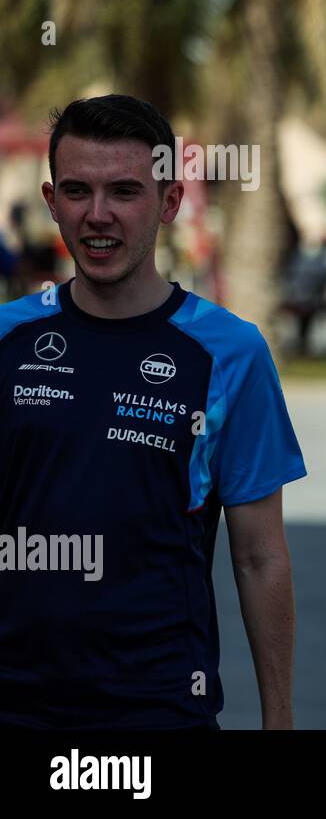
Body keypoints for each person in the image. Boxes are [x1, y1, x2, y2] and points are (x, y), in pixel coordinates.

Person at [0, 95, 306, 728]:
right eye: (78, 192)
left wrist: (279, 721)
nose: (98, 215)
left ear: (169, 202)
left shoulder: (230, 352)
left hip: (159, 709)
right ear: (52, 201)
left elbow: (259, 556)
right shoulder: (8, 339)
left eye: (125, 191)